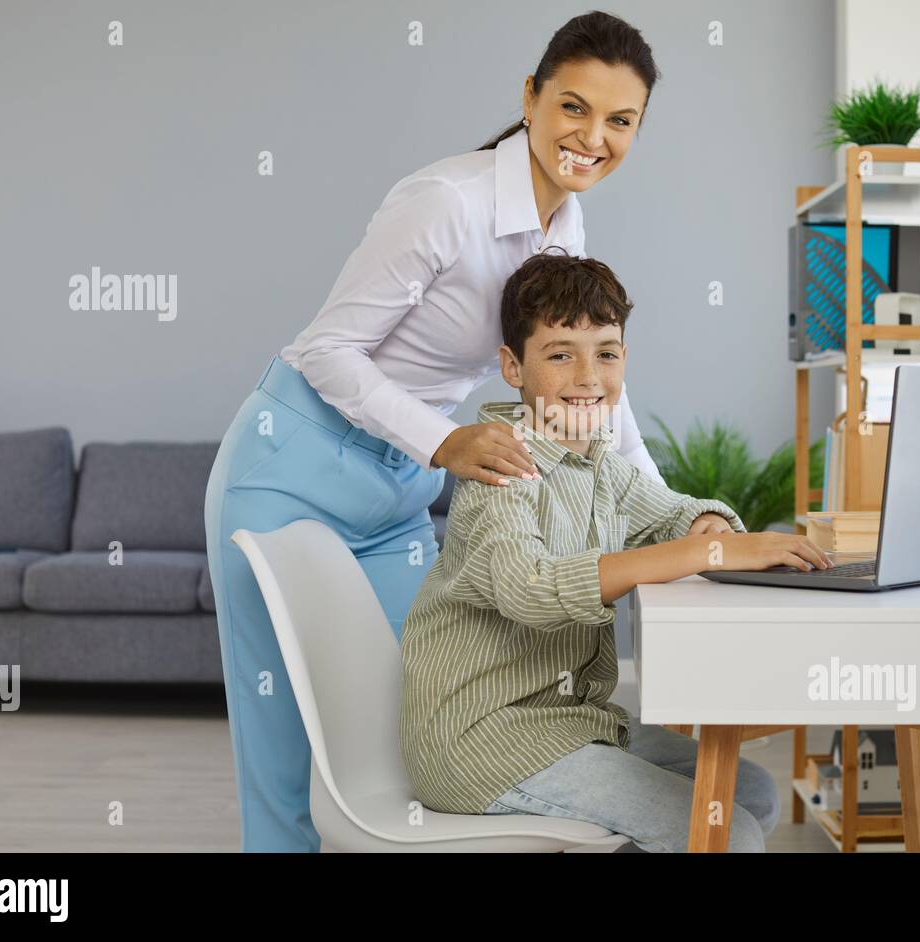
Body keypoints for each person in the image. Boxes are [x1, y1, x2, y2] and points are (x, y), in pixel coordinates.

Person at [205, 12, 677, 852]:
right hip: (291, 464)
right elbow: (327, 350)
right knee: (284, 768)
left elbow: (602, 399)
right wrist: (444, 441)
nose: (592, 137)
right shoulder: (444, 204)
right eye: (573, 107)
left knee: (404, 738)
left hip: (397, 495)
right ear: (529, 99)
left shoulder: (564, 225)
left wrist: (675, 512)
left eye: (620, 120)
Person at [399, 250, 832, 852]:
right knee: (724, 829)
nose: (587, 377)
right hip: (486, 741)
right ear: (512, 366)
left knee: (752, 791)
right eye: (559, 354)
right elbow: (532, 587)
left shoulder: (596, 462)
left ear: (624, 360)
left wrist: (707, 524)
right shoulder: (500, 471)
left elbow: (670, 512)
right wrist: (708, 557)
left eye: (605, 353)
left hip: (569, 722)